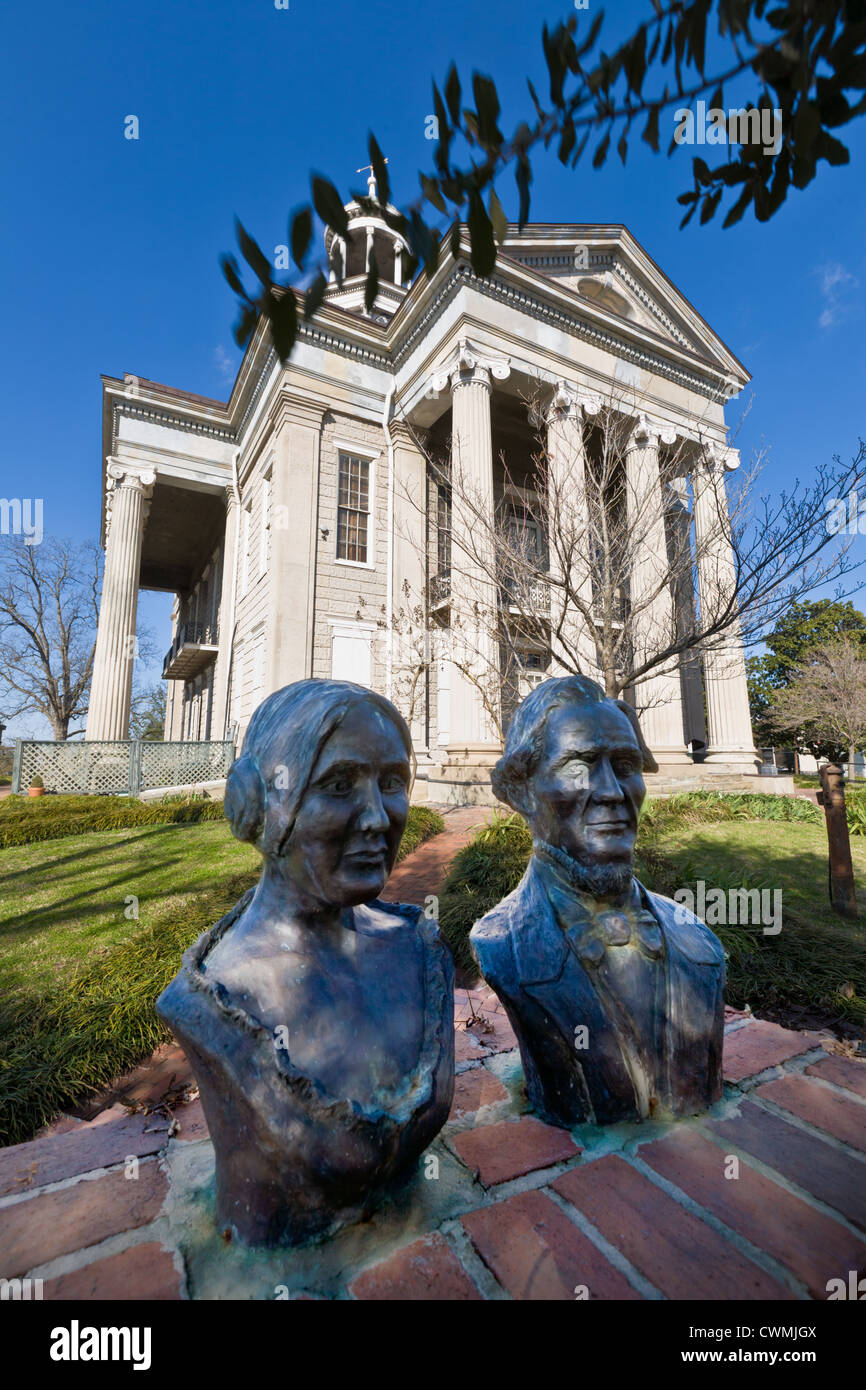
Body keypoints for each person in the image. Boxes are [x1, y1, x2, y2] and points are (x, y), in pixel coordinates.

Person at [157, 679, 454, 1247]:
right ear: (257, 806)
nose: (376, 817)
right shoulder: (215, 997)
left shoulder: (421, 949)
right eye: (339, 785)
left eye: (391, 782)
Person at [470, 675, 724, 1128]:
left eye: (625, 764)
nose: (611, 791)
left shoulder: (696, 937)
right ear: (523, 790)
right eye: (580, 765)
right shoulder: (503, 944)